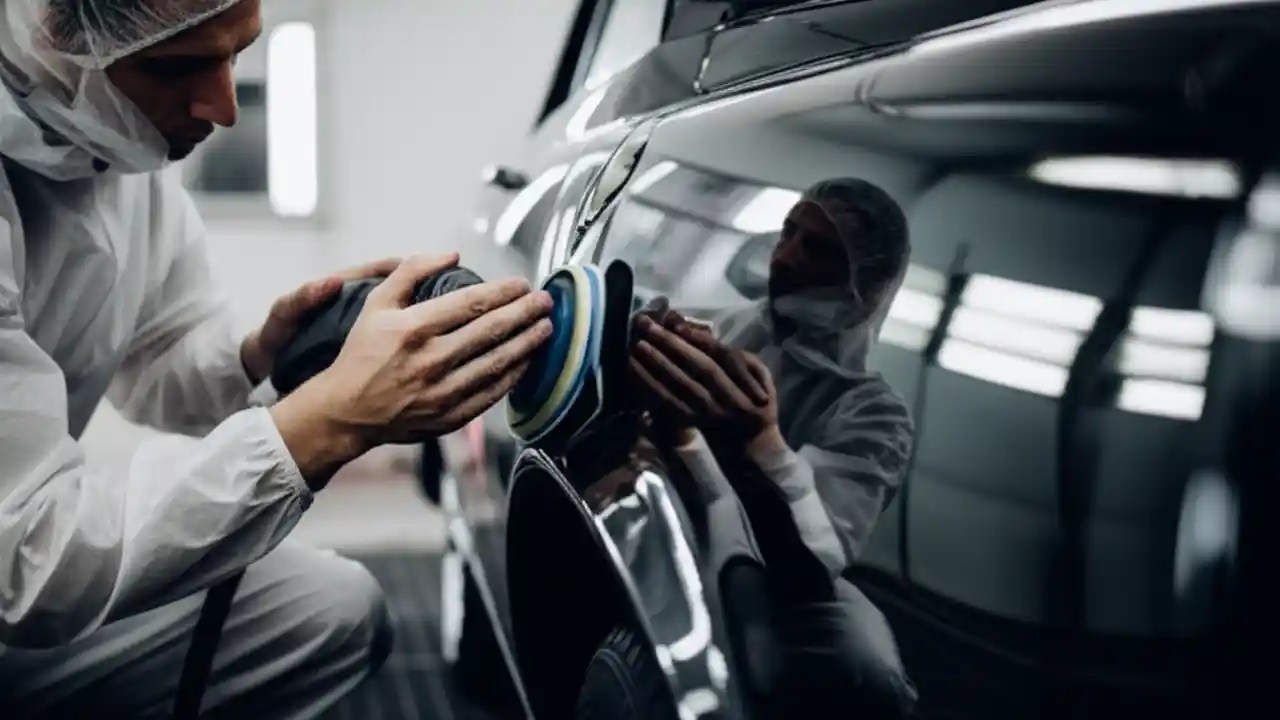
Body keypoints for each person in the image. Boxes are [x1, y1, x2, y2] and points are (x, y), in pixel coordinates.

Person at [0, 1, 552, 717]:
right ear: (48, 35)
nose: (225, 107)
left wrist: (266, 351)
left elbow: (159, 361)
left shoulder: (111, 140)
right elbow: (28, 562)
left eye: (237, 53)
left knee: (332, 611)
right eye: (178, 66)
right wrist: (323, 425)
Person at [630, 178, 917, 717]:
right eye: (789, 232)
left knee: (869, 673)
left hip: (781, 588)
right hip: (670, 539)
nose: (785, 257)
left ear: (867, 283)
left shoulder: (874, 414)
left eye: (820, 249)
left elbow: (816, 559)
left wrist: (762, 444)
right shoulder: (718, 330)